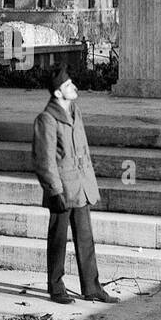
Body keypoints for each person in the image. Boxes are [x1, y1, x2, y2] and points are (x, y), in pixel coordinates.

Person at [32, 66, 118, 305]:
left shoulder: (75, 111)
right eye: (69, 86)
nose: (75, 88)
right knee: (58, 240)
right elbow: (44, 160)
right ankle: (56, 287)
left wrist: (90, 181)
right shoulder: (47, 119)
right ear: (58, 93)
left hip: (80, 185)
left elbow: (84, 150)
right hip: (61, 188)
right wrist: (54, 190)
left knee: (85, 237)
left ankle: (92, 287)